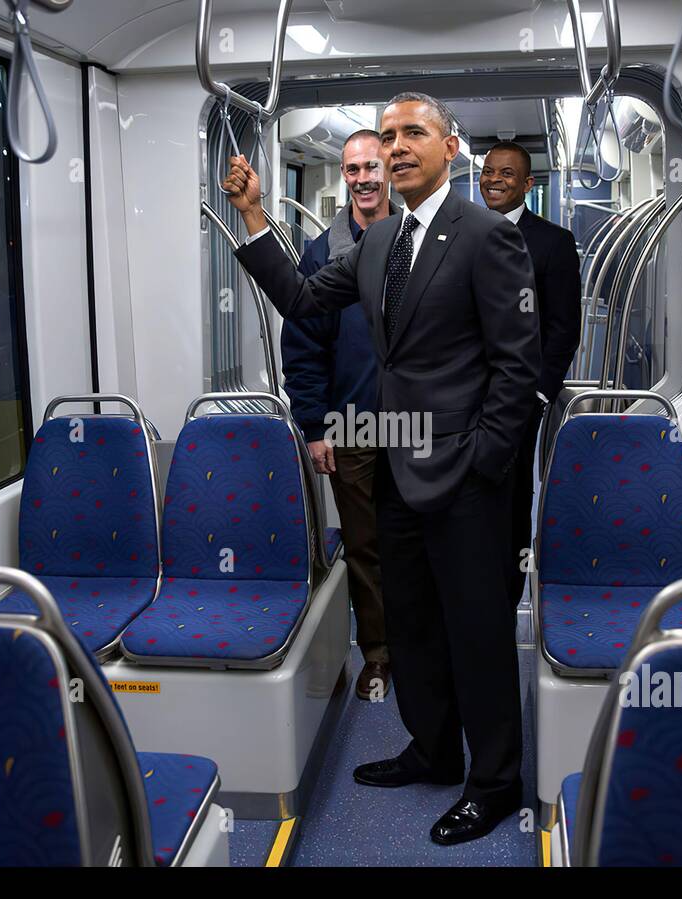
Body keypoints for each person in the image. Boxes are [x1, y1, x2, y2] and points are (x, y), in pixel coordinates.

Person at [224, 92, 540, 846]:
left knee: (479, 633)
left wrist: (483, 467)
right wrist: (255, 218)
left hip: (464, 478)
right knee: (413, 624)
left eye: (413, 134)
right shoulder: (380, 242)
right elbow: (302, 300)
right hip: (395, 467)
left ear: (450, 147)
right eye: (389, 135)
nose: (397, 148)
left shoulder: (486, 236)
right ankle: (431, 750)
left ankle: (493, 782)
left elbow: (515, 369)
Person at [280, 129, 396, 700]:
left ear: (389, 170)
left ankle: (426, 646)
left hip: (422, 428)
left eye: (372, 167)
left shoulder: (421, 239)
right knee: (365, 544)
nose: (364, 179)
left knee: (424, 540)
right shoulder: (324, 250)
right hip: (352, 424)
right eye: (353, 170)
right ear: (344, 177)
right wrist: (316, 425)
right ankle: (377, 652)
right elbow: (304, 345)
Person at [478, 142, 582, 609]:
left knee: (513, 496)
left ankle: (505, 596)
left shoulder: (552, 243)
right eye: (487, 172)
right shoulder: (465, 233)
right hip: (461, 397)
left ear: (527, 184)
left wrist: (539, 396)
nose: (493, 180)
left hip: (520, 400)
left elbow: (564, 331)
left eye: (505, 173)